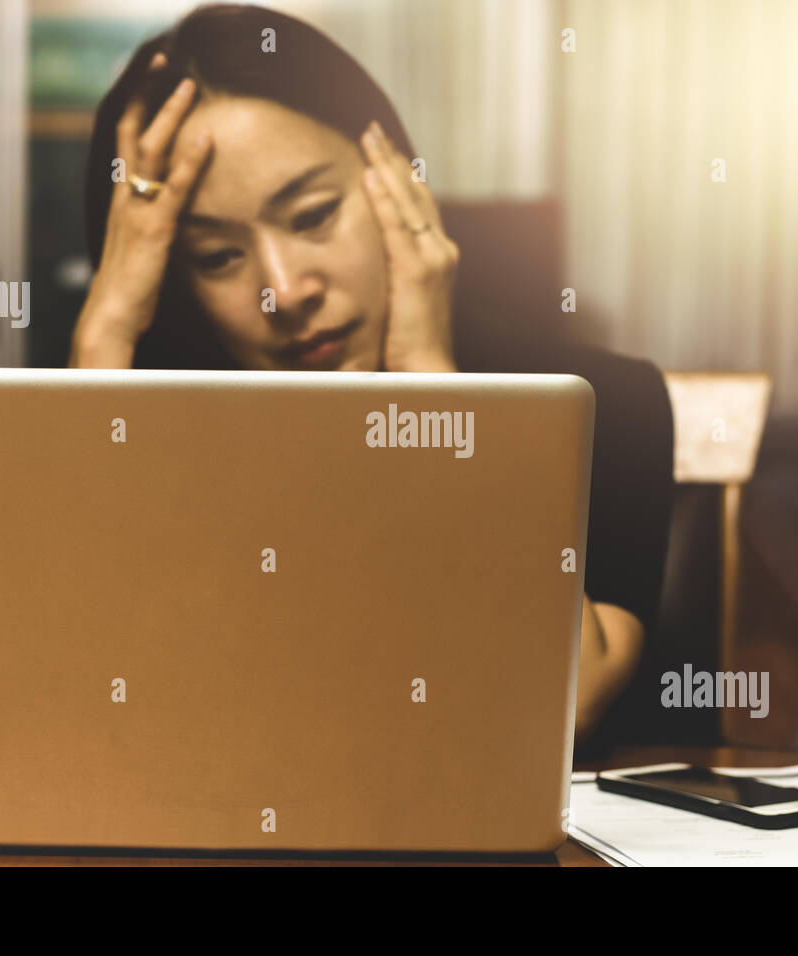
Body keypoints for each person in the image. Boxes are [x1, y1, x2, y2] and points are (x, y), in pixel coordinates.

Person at [70, 2, 667, 746]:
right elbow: (70, 701)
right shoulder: (157, 428)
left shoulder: (606, 408)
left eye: (314, 214)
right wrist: (105, 335)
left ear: (396, 180)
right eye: (218, 257)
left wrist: (429, 382)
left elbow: (569, 697)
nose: (283, 290)